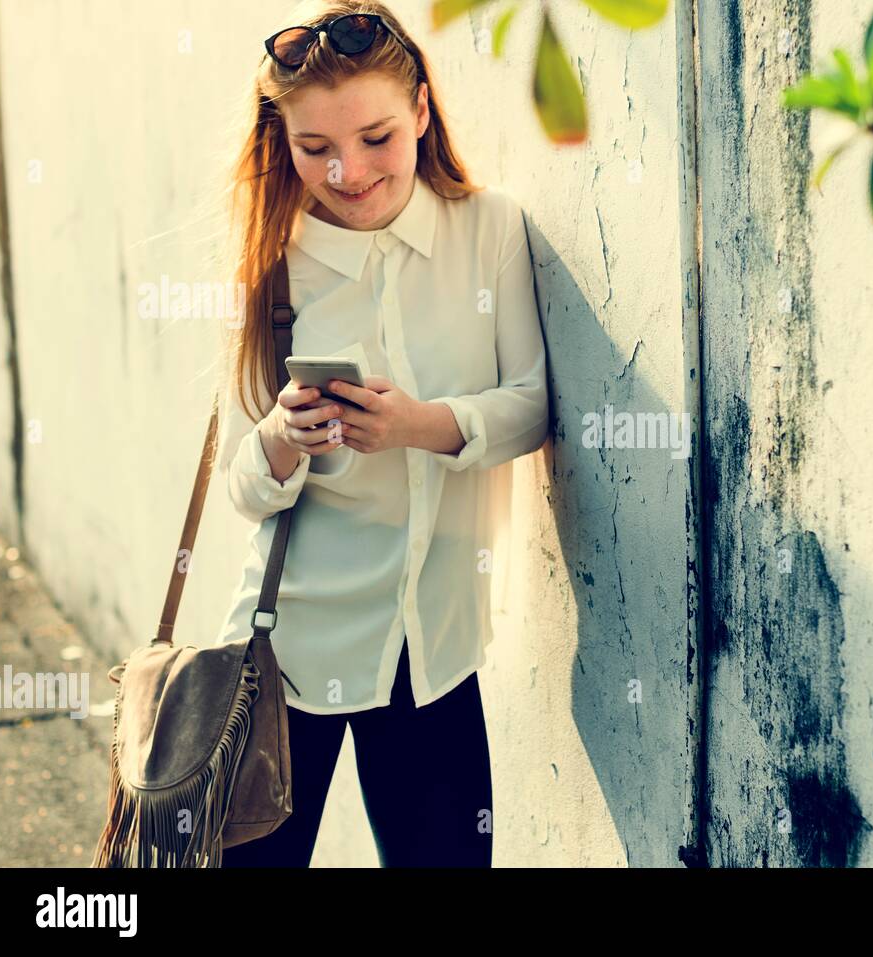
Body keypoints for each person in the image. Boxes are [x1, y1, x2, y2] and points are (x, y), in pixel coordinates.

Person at [211, 0, 550, 867]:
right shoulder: (272, 268)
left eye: (375, 138)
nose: (348, 171)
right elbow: (243, 489)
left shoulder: (490, 229)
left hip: (431, 651)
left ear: (423, 113)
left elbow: (534, 403)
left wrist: (420, 425)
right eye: (314, 147)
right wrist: (285, 438)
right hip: (287, 658)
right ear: (282, 142)